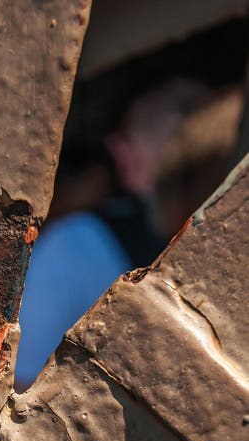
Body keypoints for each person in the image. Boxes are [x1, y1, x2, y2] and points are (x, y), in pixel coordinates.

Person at [15, 78, 240, 391]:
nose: (115, 146)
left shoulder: (73, 244)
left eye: (131, 133)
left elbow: (18, 375)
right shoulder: (78, 242)